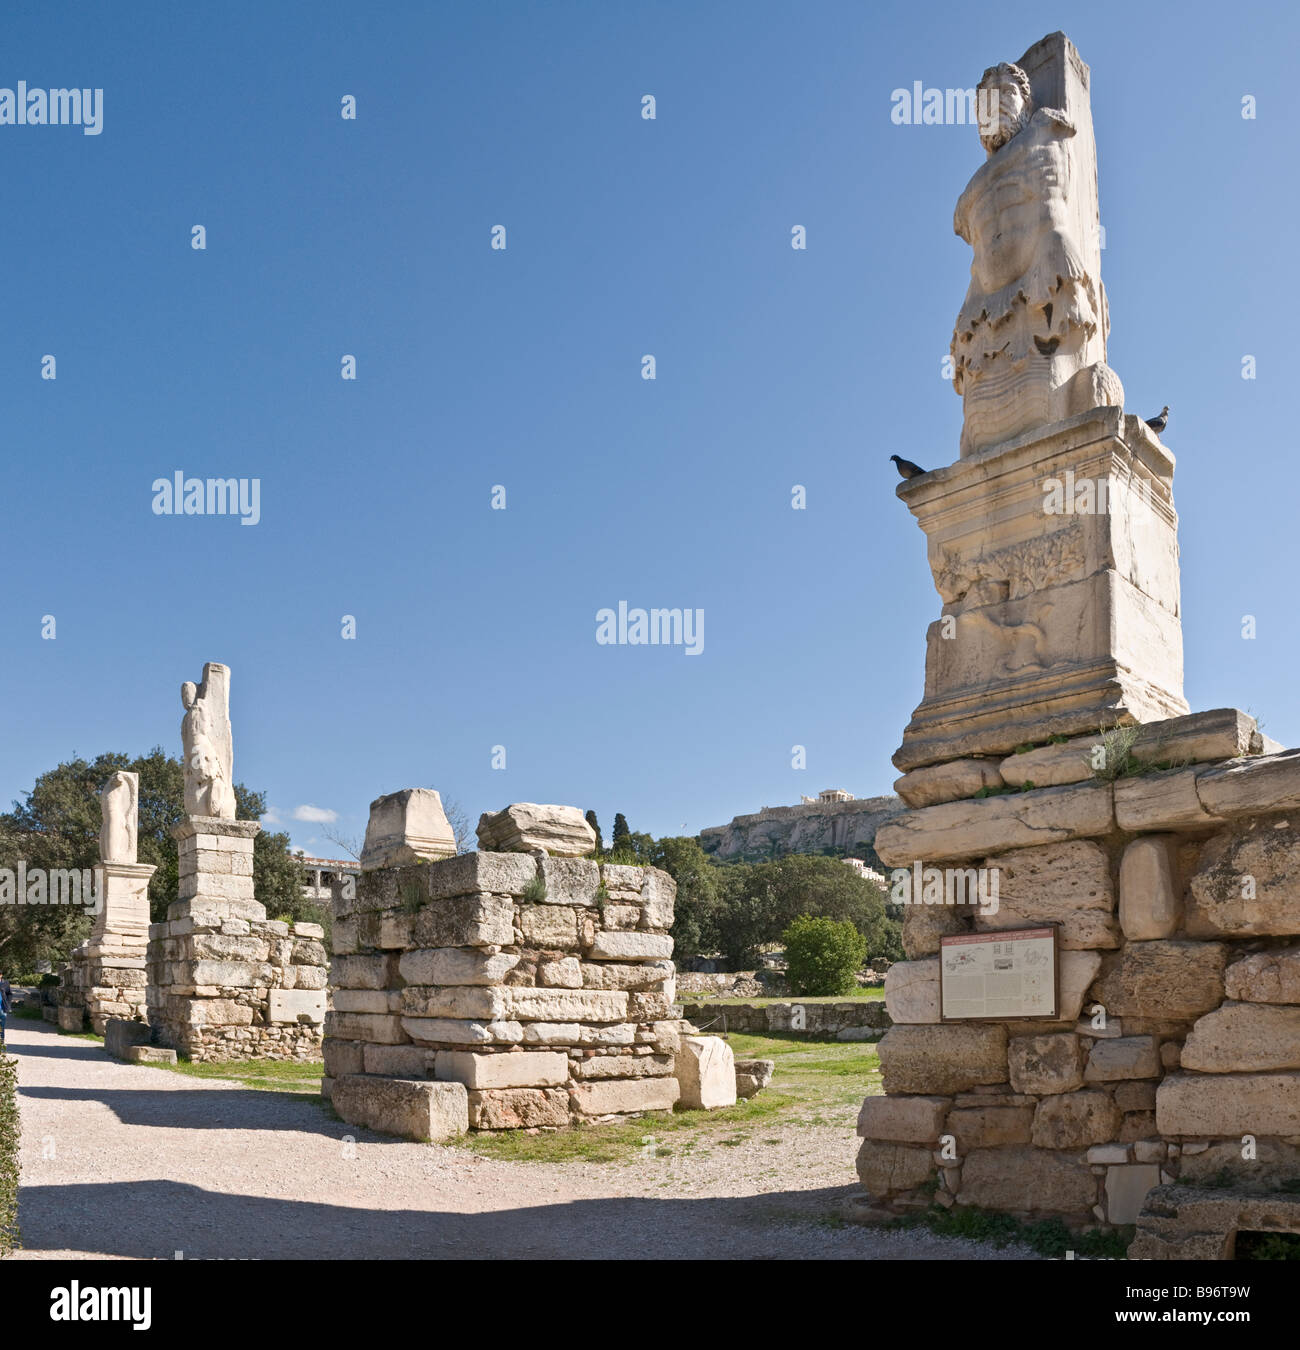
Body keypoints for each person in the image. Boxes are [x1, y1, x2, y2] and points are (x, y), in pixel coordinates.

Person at [0, 971, 12, 1046]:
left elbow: (9, 994)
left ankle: (1, 1042)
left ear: (1, 975)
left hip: (2, 1008)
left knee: (1, 1026)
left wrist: (8, 1004)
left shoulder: (5, 983)